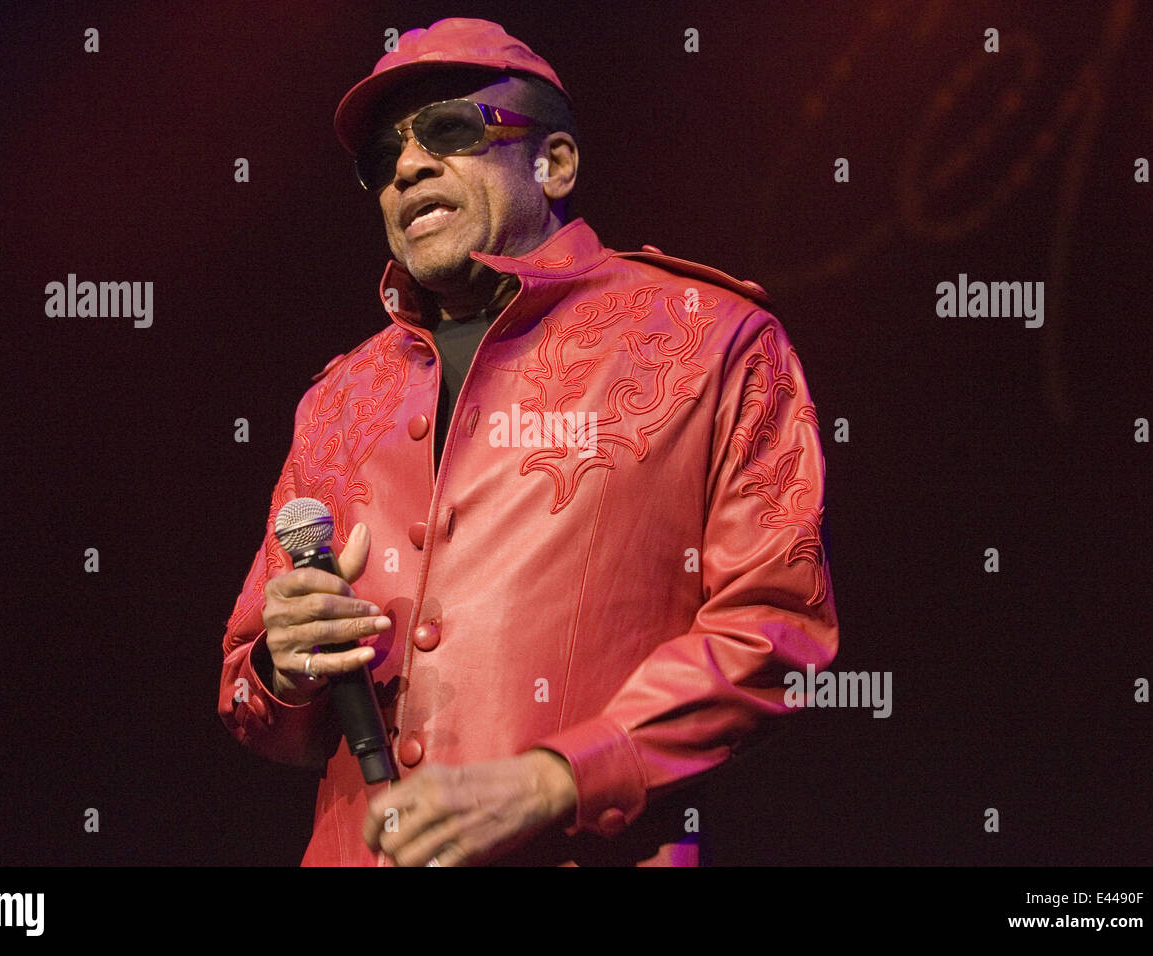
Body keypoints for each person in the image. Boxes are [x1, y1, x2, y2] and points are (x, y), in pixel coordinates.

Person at [218, 17, 838, 867]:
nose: (406, 167)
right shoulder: (337, 397)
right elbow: (252, 700)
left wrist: (559, 778)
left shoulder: (711, 337)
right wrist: (283, 669)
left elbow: (776, 627)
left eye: (448, 130)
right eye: (381, 159)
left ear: (553, 164)